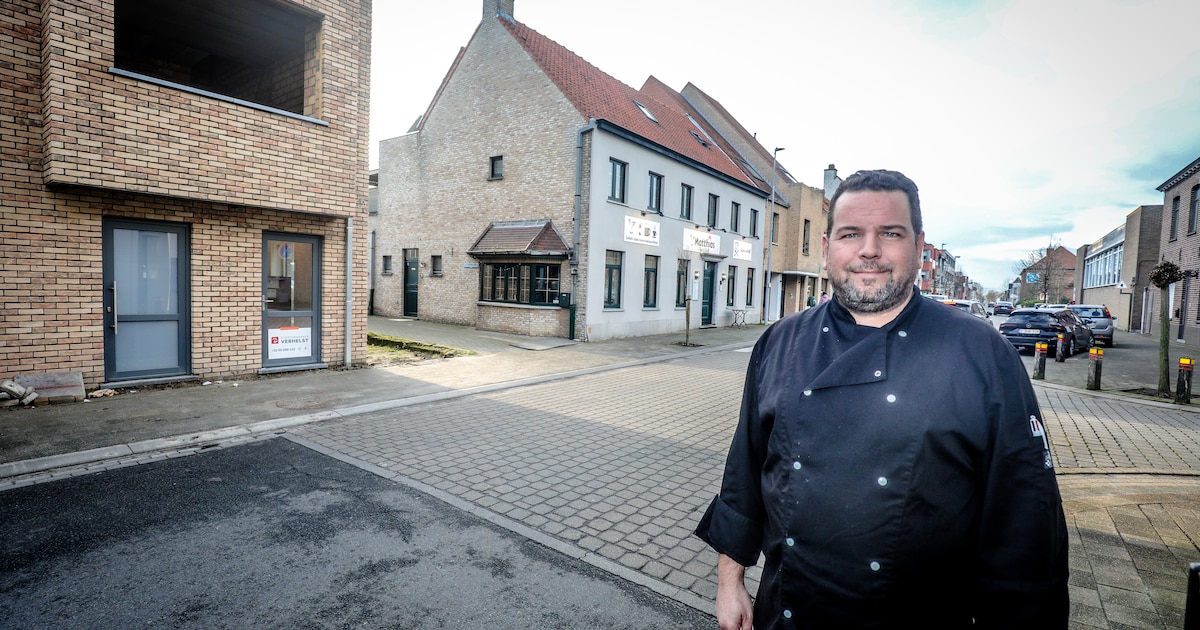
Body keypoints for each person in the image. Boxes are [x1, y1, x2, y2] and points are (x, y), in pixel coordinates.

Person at [695, 169, 1068, 628]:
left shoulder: (983, 353)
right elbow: (745, 474)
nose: (868, 250)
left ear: (917, 243)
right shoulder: (780, 342)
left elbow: (1026, 526)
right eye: (851, 234)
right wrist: (729, 581)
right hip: (788, 614)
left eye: (889, 233)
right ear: (829, 245)